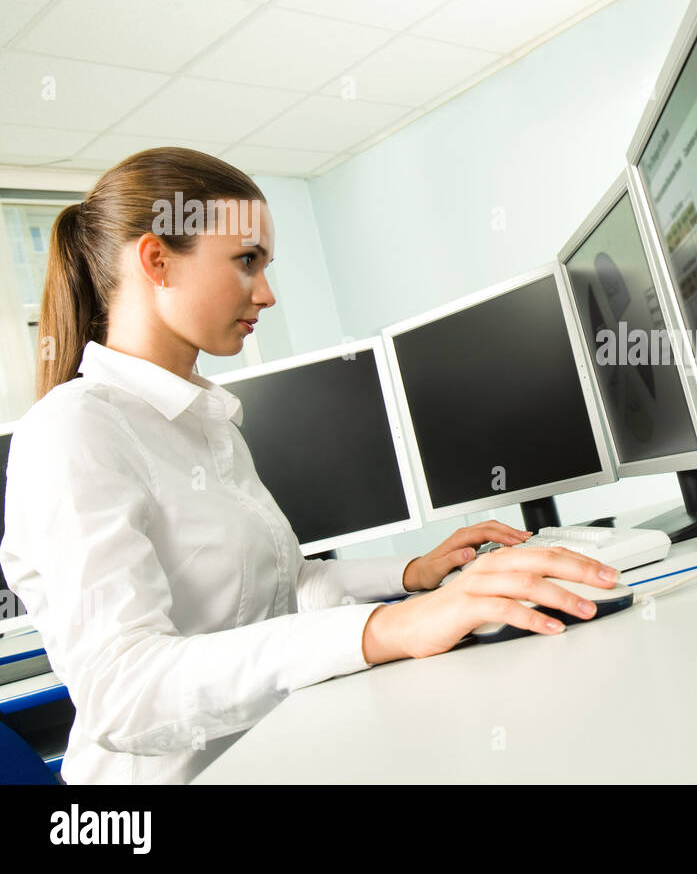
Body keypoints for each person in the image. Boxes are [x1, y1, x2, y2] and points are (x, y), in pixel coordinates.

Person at [0, 147, 620, 784]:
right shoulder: (74, 430)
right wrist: (389, 627)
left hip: (283, 748)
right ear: (158, 261)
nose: (265, 294)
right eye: (247, 262)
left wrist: (413, 576)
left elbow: (283, 590)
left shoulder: (206, 423)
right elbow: (123, 691)